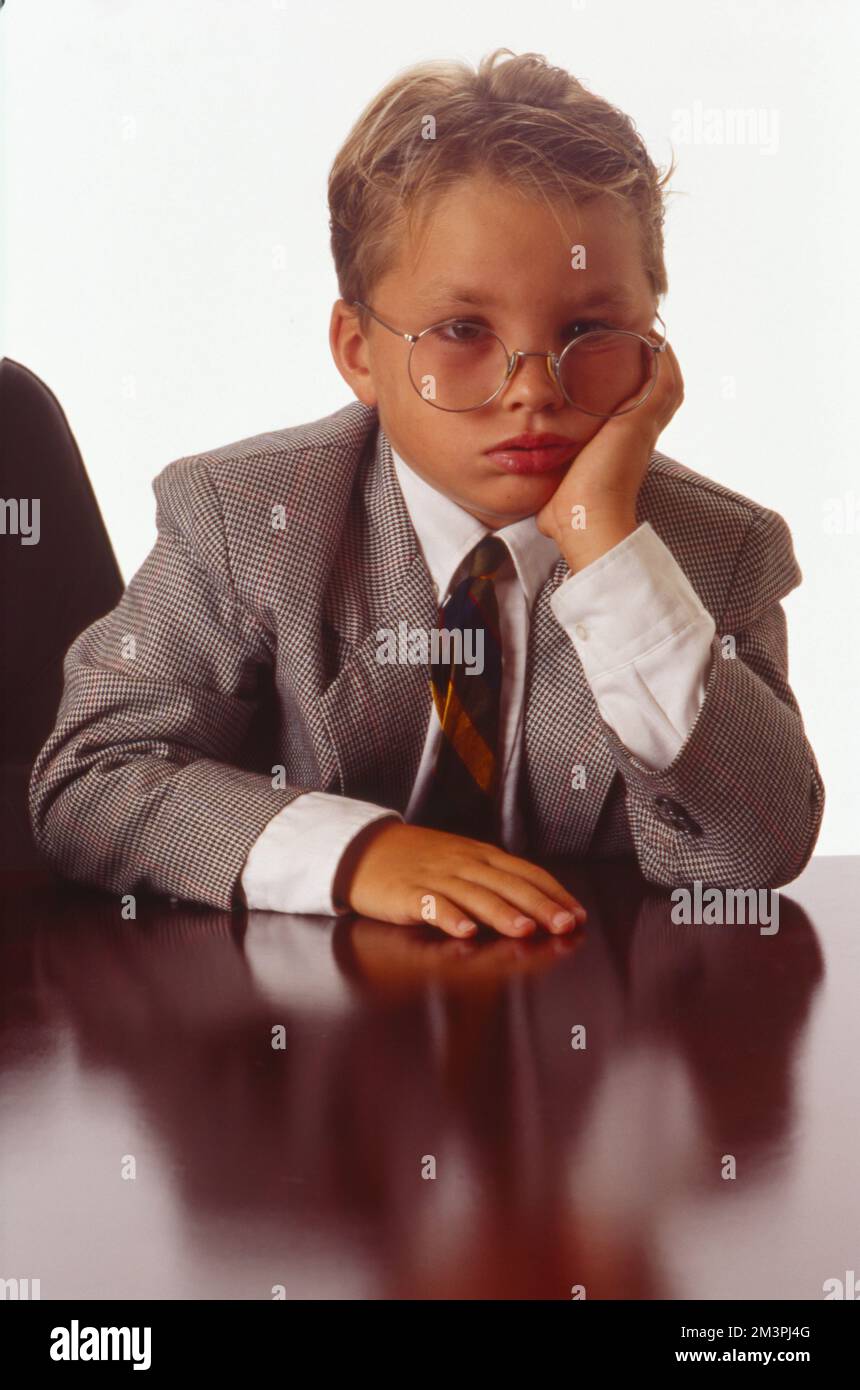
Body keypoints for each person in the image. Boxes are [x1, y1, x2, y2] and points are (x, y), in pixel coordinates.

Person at [28, 49, 825, 939]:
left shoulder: (715, 552)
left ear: (655, 347)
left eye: (590, 329)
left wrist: (604, 541)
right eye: (461, 330)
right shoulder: (246, 518)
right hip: (305, 1032)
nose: (533, 386)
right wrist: (358, 853)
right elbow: (91, 779)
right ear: (359, 351)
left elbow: (754, 856)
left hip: (584, 1024)